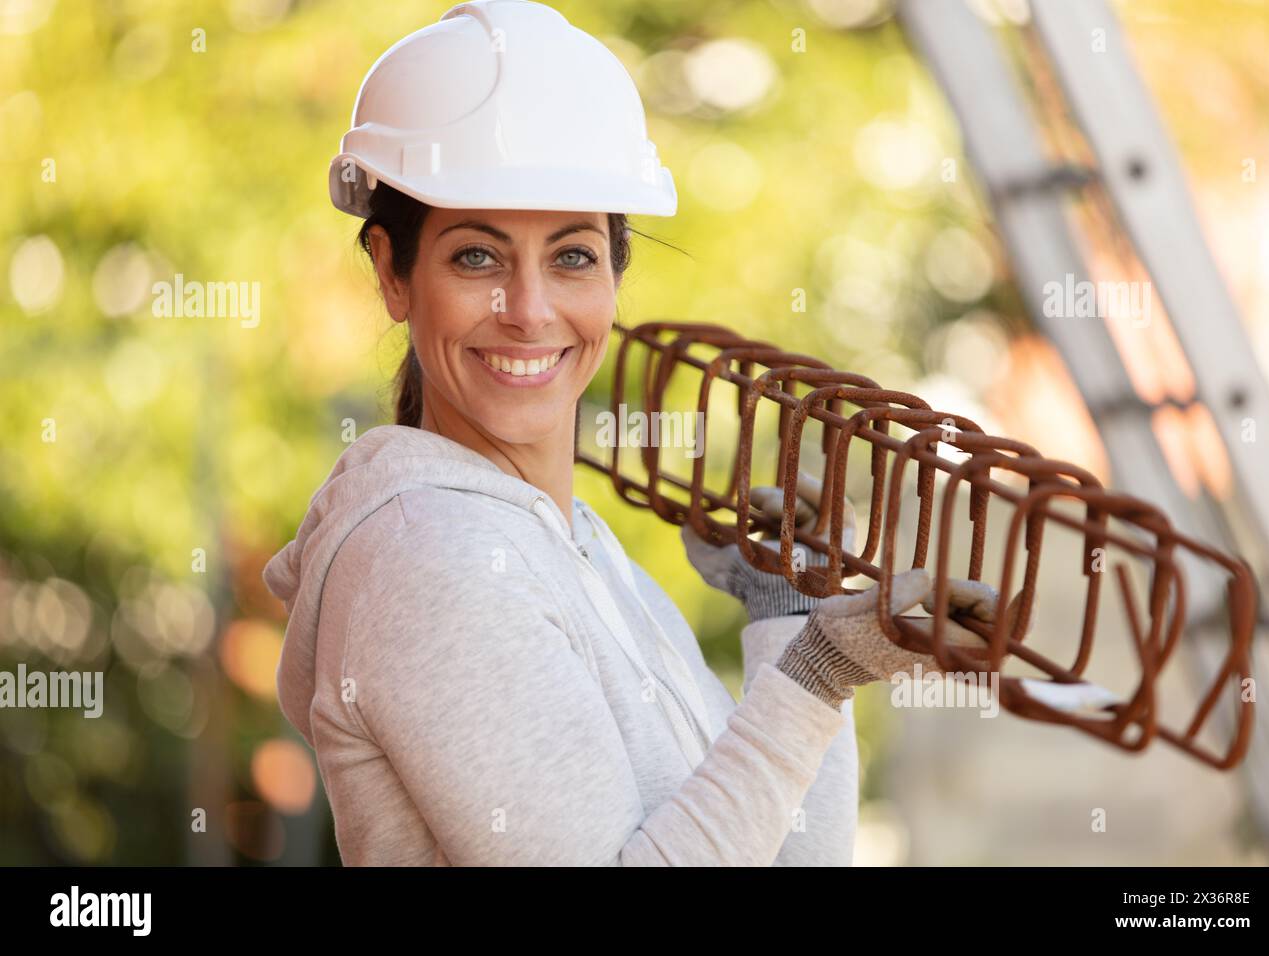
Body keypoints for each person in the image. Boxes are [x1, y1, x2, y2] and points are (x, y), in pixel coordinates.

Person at [262, 0, 1001, 866]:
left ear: (616, 272)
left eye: (571, 255)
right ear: (393, 272)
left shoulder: (582, 554)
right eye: (477, 256)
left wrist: (789, 631)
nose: (529, 311)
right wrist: (816, 676)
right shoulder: (430, 554)